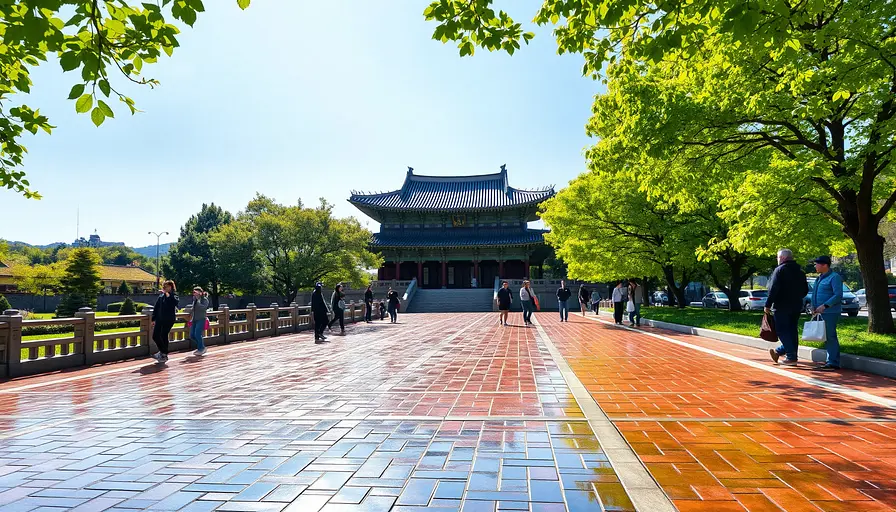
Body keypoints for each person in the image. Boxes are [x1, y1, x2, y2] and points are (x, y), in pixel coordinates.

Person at [766, 249, 809, 366]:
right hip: (796, 306)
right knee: (792, 330)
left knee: (782, 330)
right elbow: (805, 290)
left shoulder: (779, 270)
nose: (777, 259)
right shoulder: (800, 272)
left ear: (783, 258)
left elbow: (773, 289)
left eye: (778, 257)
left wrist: (768, 304)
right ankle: (781, 352)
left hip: (781, 306)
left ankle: (791, 356)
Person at [810, 256, 843, 371]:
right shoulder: (819, 278)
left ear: (824, 265)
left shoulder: (834, 277)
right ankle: (830, 360)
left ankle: (833, 362)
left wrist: (825, 305)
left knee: (830, 336)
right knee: (825, 336)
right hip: (819, 312)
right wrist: (813, 306)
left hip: (830, 312)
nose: (815, 266)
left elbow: (838, 295)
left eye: (817, 264)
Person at [151, 280, 179, 363]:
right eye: (163, 287)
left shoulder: (174, 295)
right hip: (159, 319)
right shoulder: (161, 296)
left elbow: (173, 303)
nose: (164, 288)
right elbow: (156, 308)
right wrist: (153, 319)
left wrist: (167, 294)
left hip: (168, 319)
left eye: (166, 287)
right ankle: (163, 351)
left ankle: (163, 354)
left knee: (163, 335)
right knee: (155, 336)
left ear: (171, 287)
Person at [189, 286, 209, 356]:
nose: (194, 294)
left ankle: (201, 348)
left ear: (200, 293)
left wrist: (198, 302)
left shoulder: (205, 300)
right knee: (192, 335)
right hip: (194, 319)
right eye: (194, 292)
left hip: (201, 319)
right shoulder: (195, 300)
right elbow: (193, 309)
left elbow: (204, 308)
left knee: (197, 334)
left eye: (195, 292)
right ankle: (201, 346)